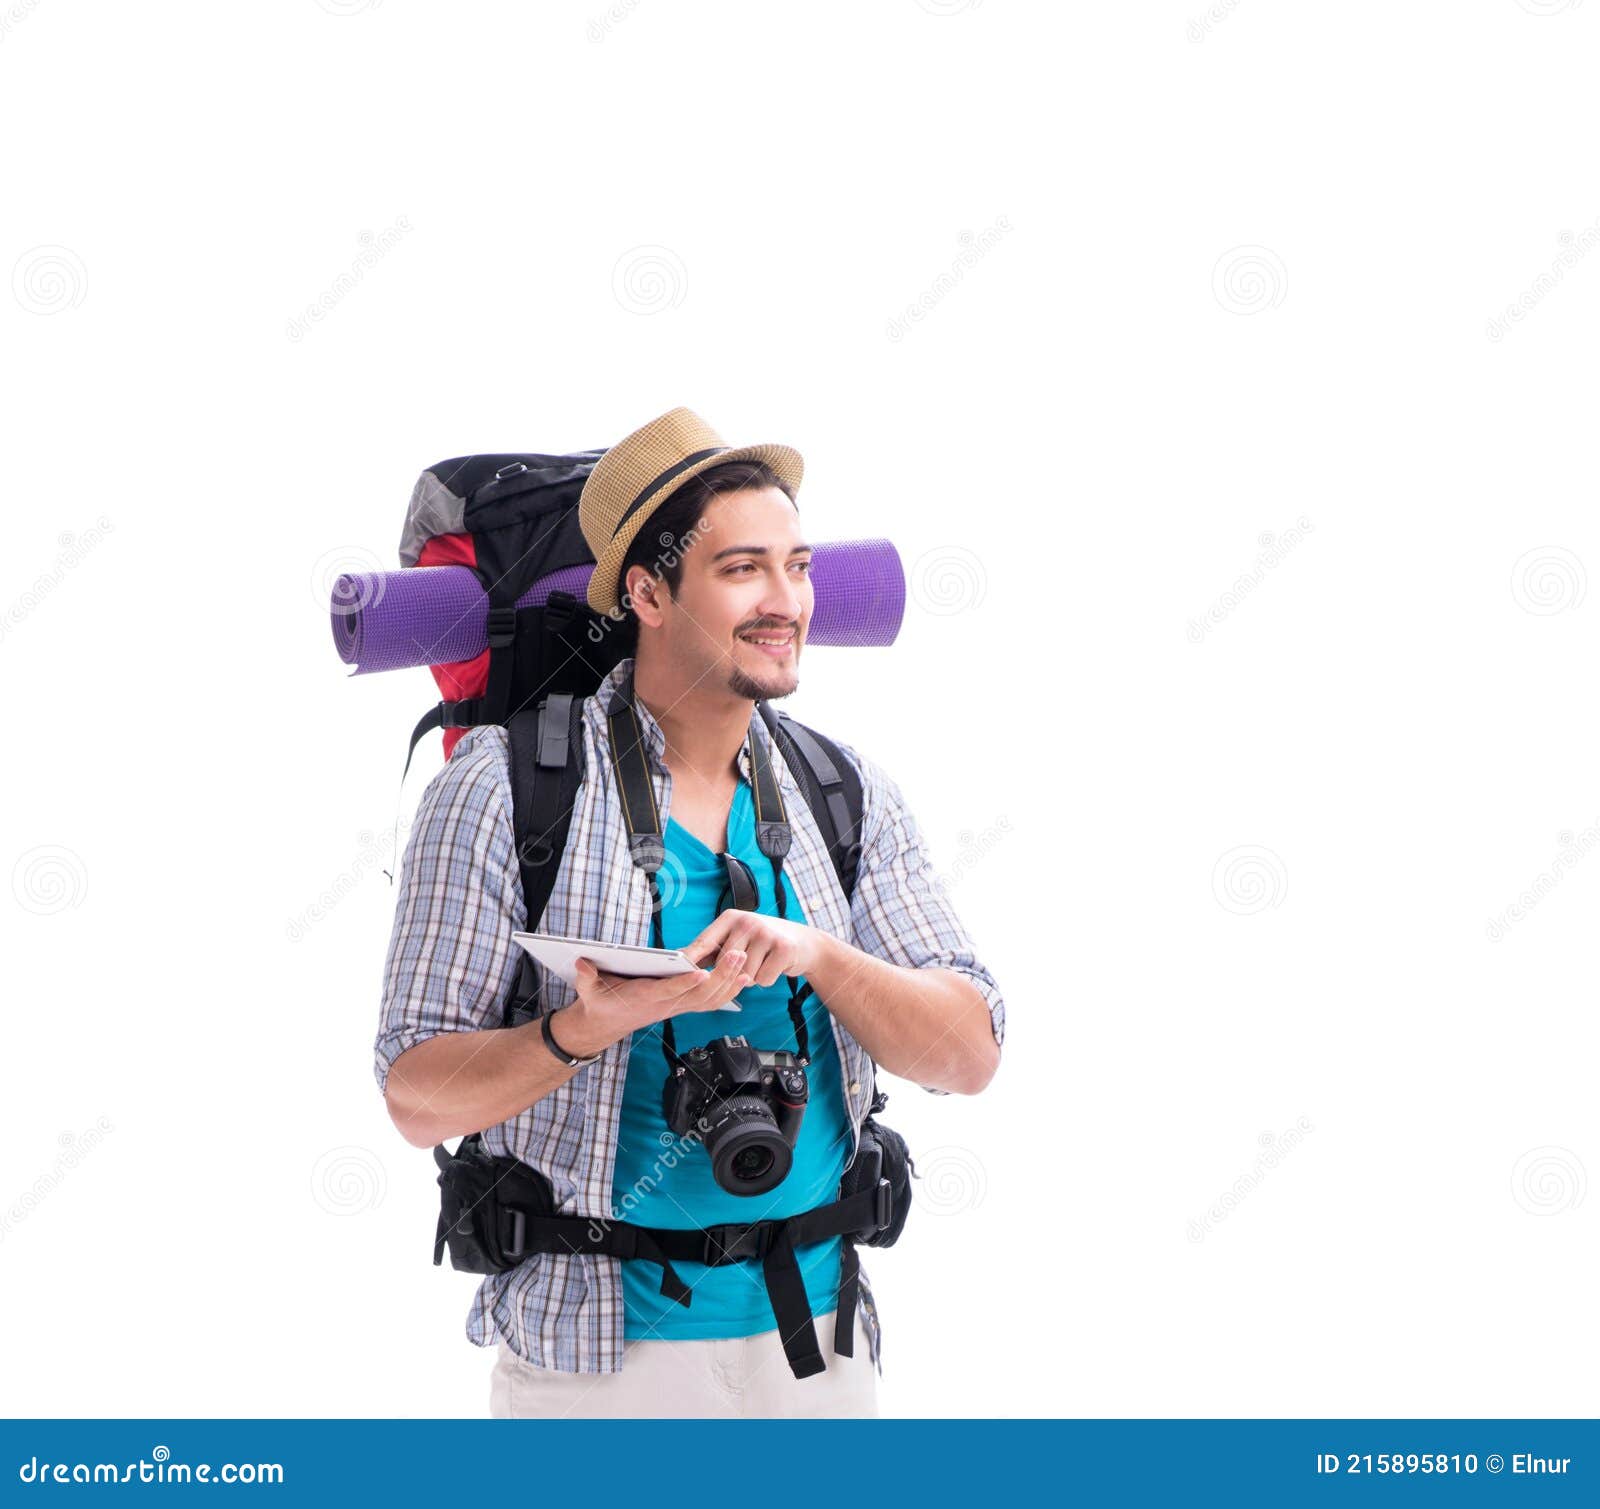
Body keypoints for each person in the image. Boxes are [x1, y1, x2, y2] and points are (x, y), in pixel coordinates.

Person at [374, 407, 1006, 1418]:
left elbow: (968, 1054)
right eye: (743, 568)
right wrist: (583, 1028)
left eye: (796, 566)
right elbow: (415, 1097)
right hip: (593, 1364)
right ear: (648, 591)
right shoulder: (503, 792)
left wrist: (820, 958)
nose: (785, 600)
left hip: (821, 1352)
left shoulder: (842, 789)